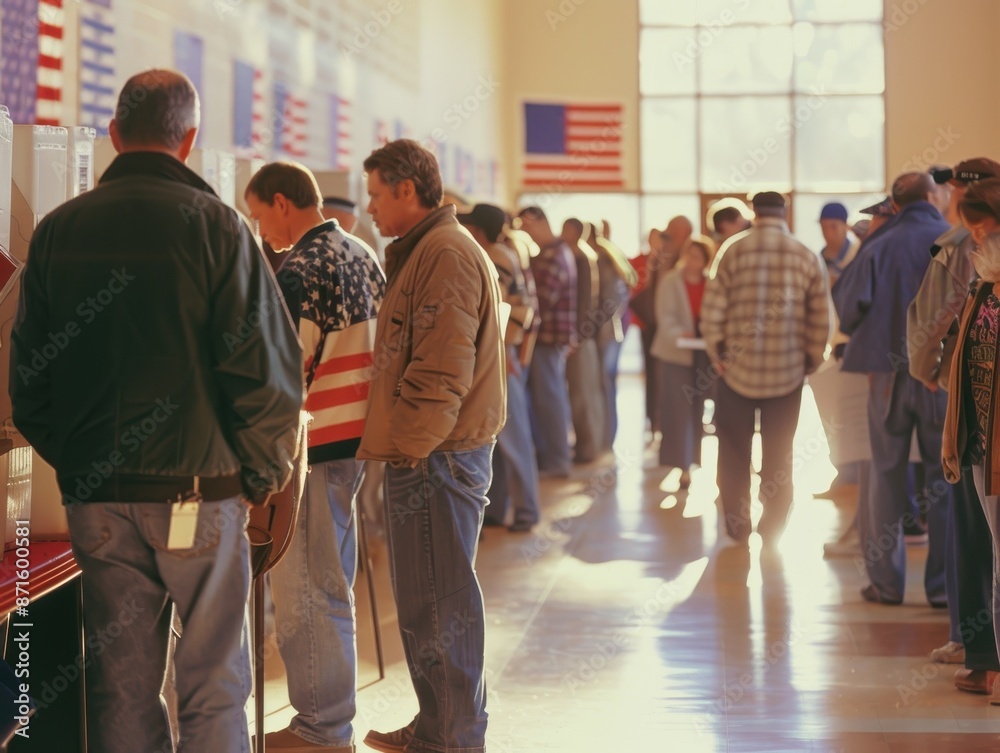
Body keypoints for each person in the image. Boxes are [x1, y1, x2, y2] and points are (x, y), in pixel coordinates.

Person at [8, 69, 303, 753]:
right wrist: (258, 476)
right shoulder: (221, 228)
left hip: (99, 500)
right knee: (213, 682)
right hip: (200, 494)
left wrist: (82, 463)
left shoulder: (57, 232)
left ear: (114, 135)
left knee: (122, 686)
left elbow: (28, 385)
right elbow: (269, 374)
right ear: (190, 139)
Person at [357, 140, 505, 753]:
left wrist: (411, 447)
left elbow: (442, 368)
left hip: (435, 454)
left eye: (375, 194)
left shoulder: (444, 252)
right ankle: (436, 724)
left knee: (441, 602)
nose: (369, 207)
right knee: (424, 601)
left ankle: (453, 736)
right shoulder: (431, 248)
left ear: (406, 190)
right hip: (431, 452)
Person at [244, 162, 385, 752]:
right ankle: (328, 721)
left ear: (282, 202)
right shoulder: (359, 252)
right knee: (329, 579)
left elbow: (285, 374)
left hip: (311, 446)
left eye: (259, 215)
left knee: (304, 587)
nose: (260, 230)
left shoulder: (301, 268)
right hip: (355, 439)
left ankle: (320, 727)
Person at [834, 172, 953, 607]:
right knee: (944, 476)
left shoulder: (878, 244)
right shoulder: (954, 241)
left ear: (895, 205)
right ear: (932, 196)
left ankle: (886, 584)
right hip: (939, 374)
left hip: (886, 373)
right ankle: (942, 587)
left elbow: (848, 309)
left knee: (885, 473)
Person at [909, 160, 1000, 691]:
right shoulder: (979, 271)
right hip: (975, 425)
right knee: (976, 537)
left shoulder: (961, 251)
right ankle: (982, 657)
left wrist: (927, 371)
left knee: (974, 538)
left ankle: (982, 656)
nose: (974, 232)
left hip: (978, 425)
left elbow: (929, 322)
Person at [701, 191, 830, 544]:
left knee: (732, 452)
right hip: (787, 375)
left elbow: (712, 310)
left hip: (735, 374)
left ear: (754, 213)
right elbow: (821, 317)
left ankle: (737, 526)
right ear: (784, 212)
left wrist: (718, 354)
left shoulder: (732, 251)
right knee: (779, 454)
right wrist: (811, 359)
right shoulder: (804, 254)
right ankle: (772, 526)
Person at [942, 226, 1000, 705]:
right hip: (981, 446)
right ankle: (990, 665)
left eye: (983, 232)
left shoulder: (985, 293)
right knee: (993, 555)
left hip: (985, 445)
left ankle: (990, 666)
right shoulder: (983, 291)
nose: (975, 243)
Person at [458, 203, 540, 532]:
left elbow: (500, 313)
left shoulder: (496, 258)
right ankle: (500, 507)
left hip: (502, 358)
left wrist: (503, 352)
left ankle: (527, 510)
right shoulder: (498, 254)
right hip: (502, 356)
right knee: (501, 437)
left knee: (514, 437)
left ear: (478, 230)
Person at [651, 235, 716, 489]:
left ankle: (694, 460)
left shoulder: (711, 283)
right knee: (678, 411)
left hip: (702, 354)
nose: (691, 261)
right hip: (675, 353)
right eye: (689, 254)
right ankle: (682, 465)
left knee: (698, 411)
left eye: (697, 256)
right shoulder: (671, 281)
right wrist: (680, 333)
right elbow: (664, 316)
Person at [517, 206, 577, 477]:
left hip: (548, 339)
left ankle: (557, 461)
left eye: (527, 226)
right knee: (548, 398)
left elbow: (540, 300)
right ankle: (553, 458)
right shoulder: (553, 252)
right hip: (548, 338)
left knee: (549, 400)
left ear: (540, 221)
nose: (525, 232)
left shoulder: (552, 255)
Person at [587, 221, 637, 447]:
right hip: (612, 332)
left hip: (605, 334)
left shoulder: (601, 259)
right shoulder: (609, 255)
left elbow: (611, 301)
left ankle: (605, 436)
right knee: (606, 383)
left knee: (603, 383)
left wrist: (593, 325)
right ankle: (606, 435)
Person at [561, 218, 606, 464]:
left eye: (566, 230)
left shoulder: (581, 258)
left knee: (583, 397)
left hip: (580, 338)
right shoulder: (580, 255)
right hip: (580, 337)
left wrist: (577, 336)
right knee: (581, 395)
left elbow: (585, 302)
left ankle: (588, 449)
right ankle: (585, 446)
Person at [818, 202, 860, 286]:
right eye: (824, 227)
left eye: (834, 227)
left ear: (846, 226)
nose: (828, 233)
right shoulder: (819, 258)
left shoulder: (857, 254)